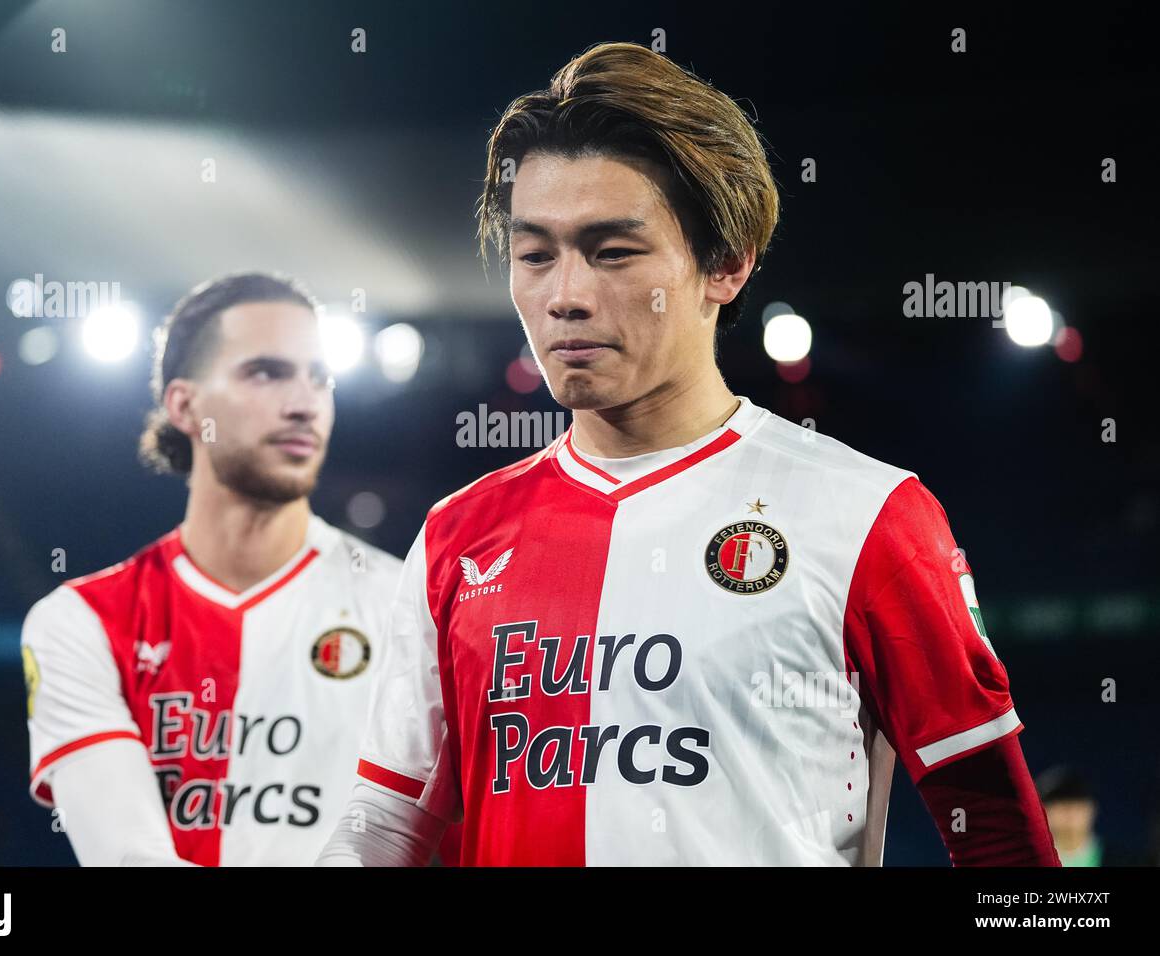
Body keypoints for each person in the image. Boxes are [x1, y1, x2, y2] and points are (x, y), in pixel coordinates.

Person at [318, 42, 1057, 866]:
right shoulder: (457, 538)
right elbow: (384, 823)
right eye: (535, 255)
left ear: (726, 263)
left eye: (612, 252)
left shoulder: (868, 518)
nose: (565, 294)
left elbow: (996, 835)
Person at [22, 272, 401, 865]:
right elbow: (131, 858)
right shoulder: (81, 622)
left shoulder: (406, 603)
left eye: (319, 378)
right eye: (266, 372)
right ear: (184, 404)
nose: (304, 404)